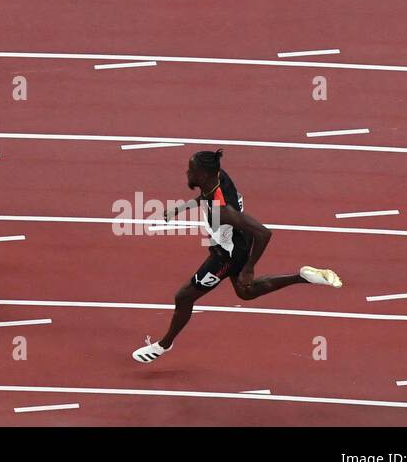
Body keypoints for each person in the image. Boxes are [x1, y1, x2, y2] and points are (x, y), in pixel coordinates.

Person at [131, 150, 344, 364]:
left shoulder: (222, 211)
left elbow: (263, 233)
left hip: (227, 255)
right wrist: (182, 208)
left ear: (203, 175)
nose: (187, 173)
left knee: (184, 296)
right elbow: (205, 197)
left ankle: (164, 345)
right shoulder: (218, 177)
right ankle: (301, 277)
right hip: (235, 243)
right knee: (245, 293)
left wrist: (248, 268)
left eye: (191, 170)